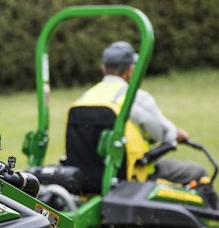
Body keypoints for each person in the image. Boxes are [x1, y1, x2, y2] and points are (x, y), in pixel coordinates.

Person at [75, 40, 207, 185]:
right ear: (131, 70)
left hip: (87, 176)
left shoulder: (84, 97)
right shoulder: (135, 97)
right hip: (132, 174)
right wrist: (178, 134)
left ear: (103, 69)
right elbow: (160, 133)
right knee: (197, 173)